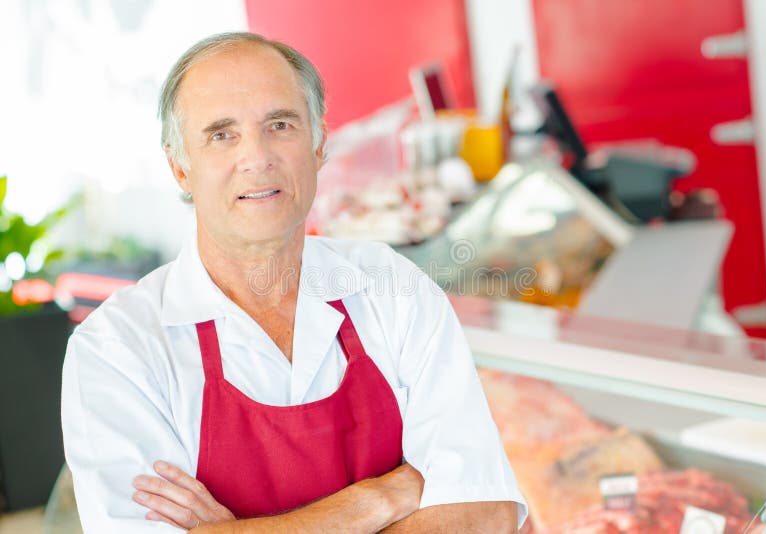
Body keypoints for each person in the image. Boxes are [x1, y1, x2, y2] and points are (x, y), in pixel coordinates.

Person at [61, 32, 527, 533]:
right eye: (221, 134)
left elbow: (483, 513)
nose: (257, 157)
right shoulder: (118, 350)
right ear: (180, 168)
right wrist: (376, 499)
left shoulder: (393, 289)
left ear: (319, 143)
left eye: (280, 125)